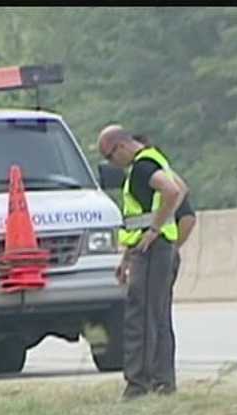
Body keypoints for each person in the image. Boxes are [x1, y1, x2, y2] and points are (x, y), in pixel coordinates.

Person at [97, 124, 189, 400]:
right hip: (154, 248)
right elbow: (182, 188)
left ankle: (139, 385)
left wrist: (154, 230)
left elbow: (172, 191)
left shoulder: (142, 166)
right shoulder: (154, 159)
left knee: (142, 317)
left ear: (122, 146)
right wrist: (127, 256)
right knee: (158, 316)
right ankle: (163, 382)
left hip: (153, 250)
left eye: (111, 157)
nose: (112, 164)